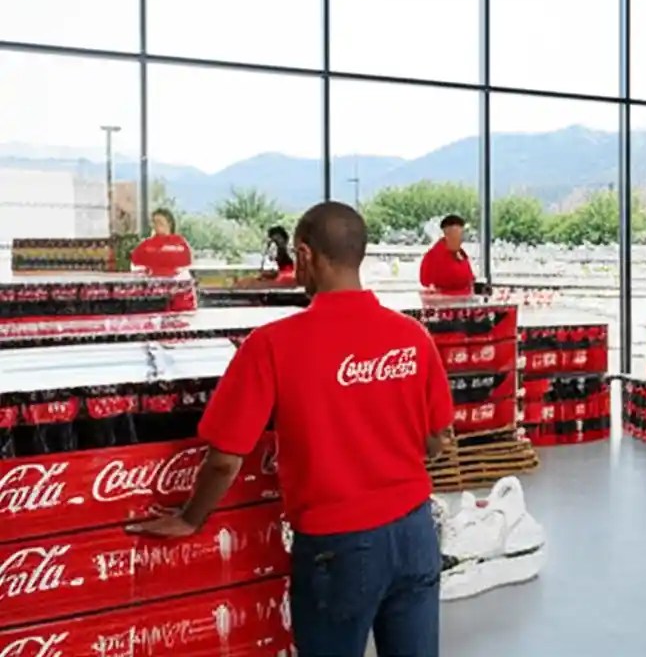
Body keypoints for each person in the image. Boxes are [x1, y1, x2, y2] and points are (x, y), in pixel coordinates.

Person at [129, 202, 456, 657]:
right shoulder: (412, 336)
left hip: (338, 548)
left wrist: (189, 518)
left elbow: (225, 459)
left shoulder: (272, 346)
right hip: (417, 532)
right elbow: (438, 441)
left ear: (304, 255)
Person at [419, 214, 476, 296]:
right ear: (446, 234)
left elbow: (470, 280)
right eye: (457, 235)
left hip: (465, 303)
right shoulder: (432, 256)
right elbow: (426, 283)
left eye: (461, 235)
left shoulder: (462, 255)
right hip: (444, 304)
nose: (461, 239)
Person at [130, 208, 193, 277]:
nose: (156, 225)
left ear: (169, 223)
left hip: (176, 280)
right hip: (152, 281)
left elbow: (187, 263)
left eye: (159, 222)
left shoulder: (180, 242)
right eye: (154, 222)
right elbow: (135, 263)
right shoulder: (146, 244)